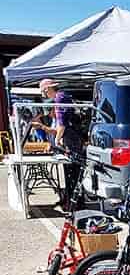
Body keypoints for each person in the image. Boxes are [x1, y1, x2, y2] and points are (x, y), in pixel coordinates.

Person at [31, 78, 83, 208]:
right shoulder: (62, 96)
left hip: (71, 139)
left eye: (43, 91)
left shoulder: (60, 98)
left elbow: (62, 124)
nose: (44, 95)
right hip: (72, 138)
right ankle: (69, 201)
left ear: (47, 89)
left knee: (73, 173)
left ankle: (74, 205)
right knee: (70, 172)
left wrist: (57, 140)